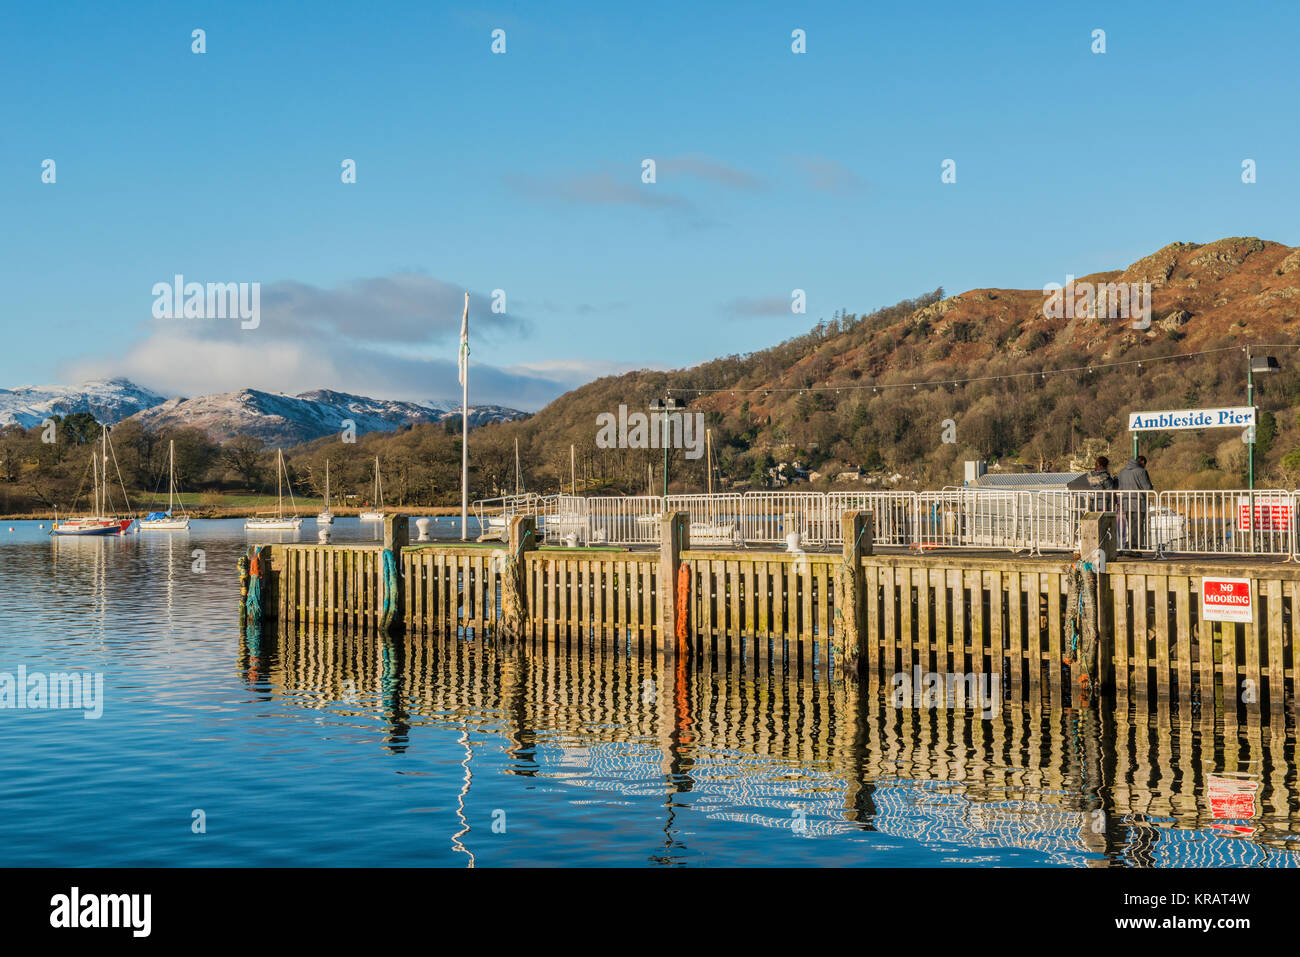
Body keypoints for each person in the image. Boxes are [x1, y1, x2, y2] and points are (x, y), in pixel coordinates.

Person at [1117, 455, 1153, 549]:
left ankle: (1131, 545)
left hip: (1127, 503)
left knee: (1131, 526)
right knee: (1138, 526)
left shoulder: (1122, 472)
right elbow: (1148, 488)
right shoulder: (1142, 471)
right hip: (1139, 503)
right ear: (1142, 463)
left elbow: (1120, 486)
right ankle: (1135, 547)